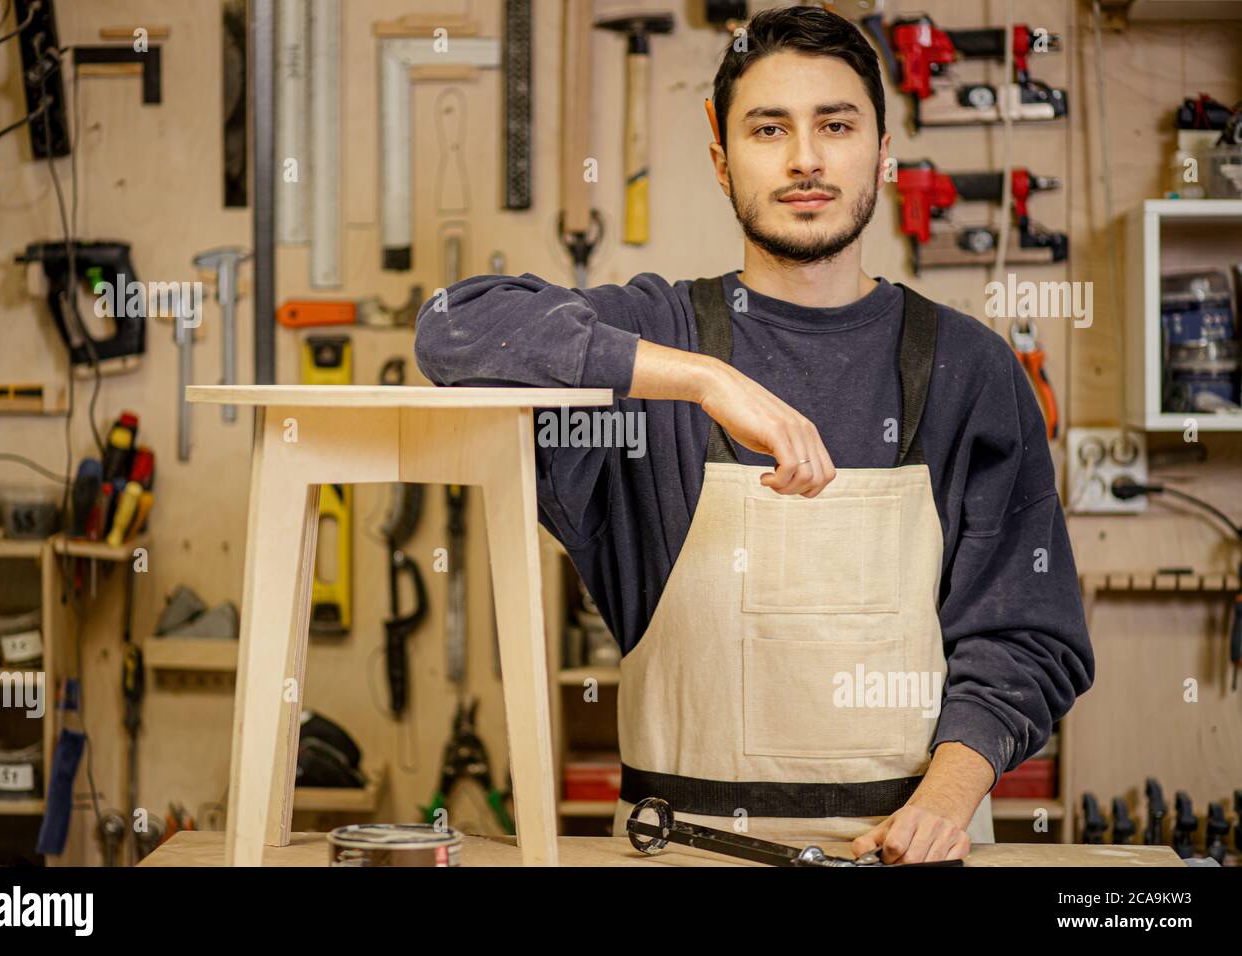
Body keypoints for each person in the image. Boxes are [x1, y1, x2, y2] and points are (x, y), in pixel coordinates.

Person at [414, 5, 1094, 864]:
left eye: (836, 126)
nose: (805, 158)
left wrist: (941, 805)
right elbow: (453, 328)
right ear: (721, 160)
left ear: (883, 153)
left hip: (911, 849)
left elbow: (1028, 632)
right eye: (768, 129)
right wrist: (704, 378)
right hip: (679, 850)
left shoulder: (972, 368)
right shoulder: (660, 332)